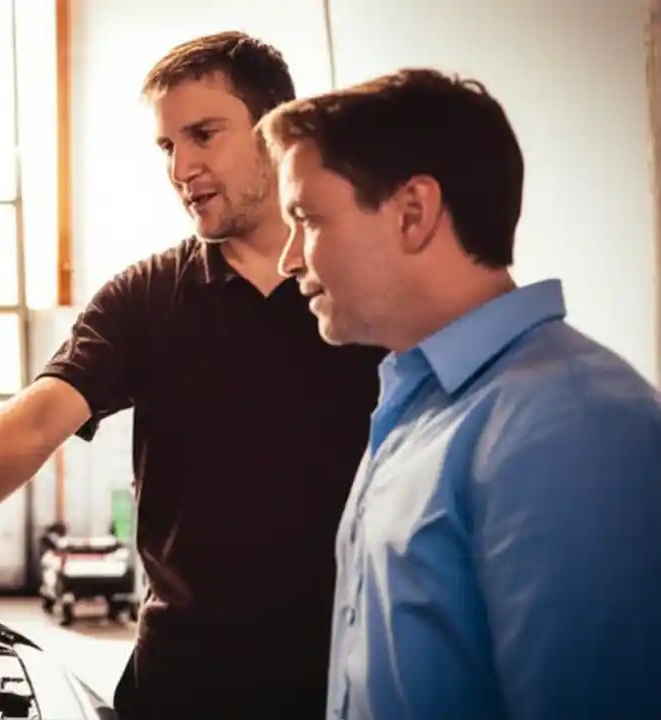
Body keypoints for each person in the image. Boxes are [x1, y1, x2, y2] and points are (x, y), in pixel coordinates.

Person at [0, 32, 385, 717]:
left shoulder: (365, 290)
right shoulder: (145, 297)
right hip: (183, 682)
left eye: (204, 134)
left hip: (348, 677)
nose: (182, 167)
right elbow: (32, 425)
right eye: (168, 147)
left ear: (275, 133)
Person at [256, 68, 661, 719]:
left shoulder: (575, 427)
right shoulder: (421, 406)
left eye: (306, 219)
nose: (290, 258)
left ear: (413, 213)